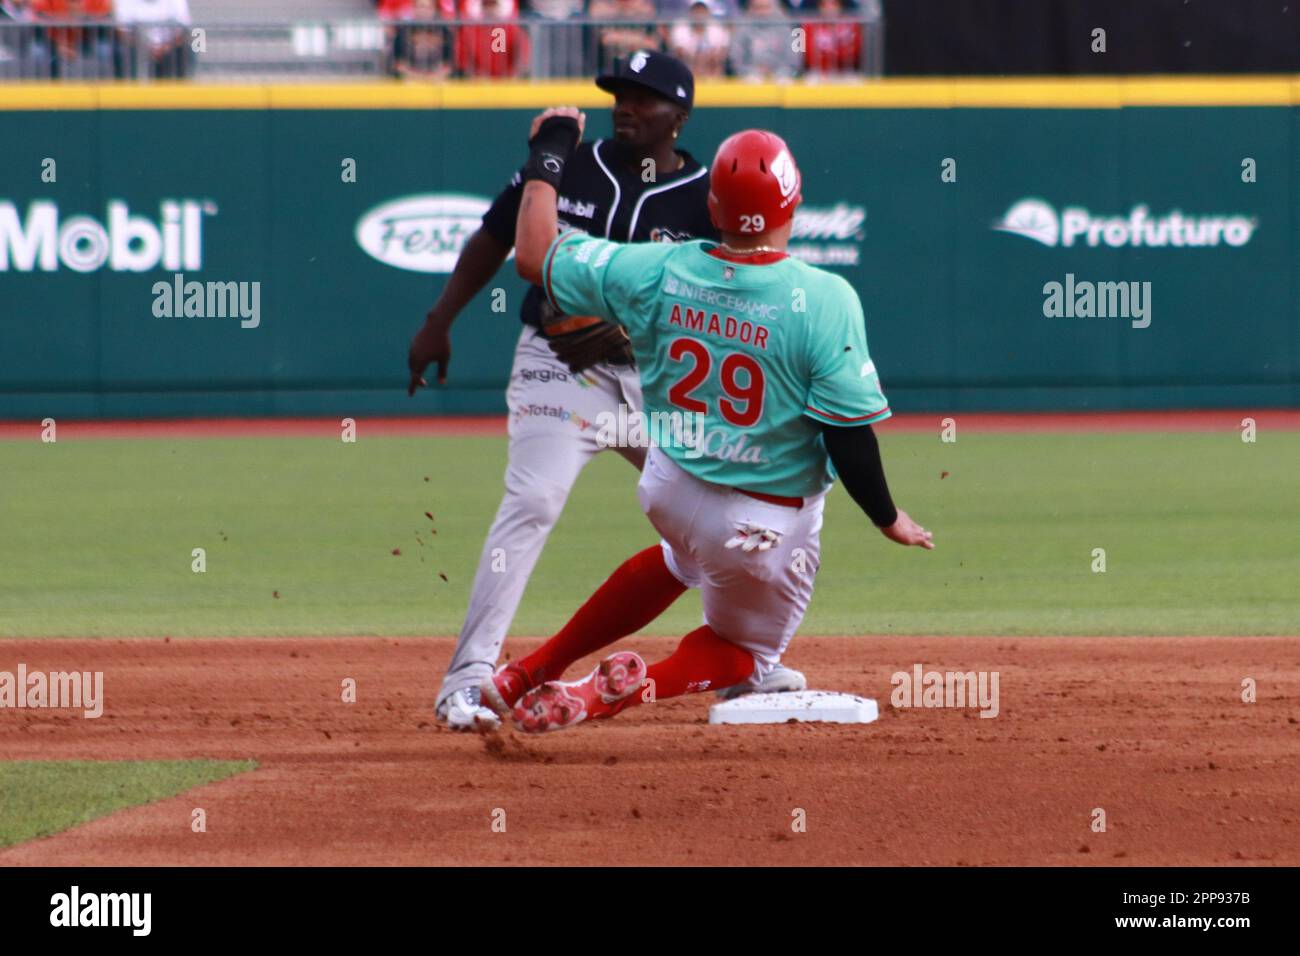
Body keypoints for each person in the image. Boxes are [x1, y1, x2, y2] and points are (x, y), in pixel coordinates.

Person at [480, 116, 933, 732]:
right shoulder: (825, 298)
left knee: (681, 559)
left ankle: (527, 670)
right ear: (794, 200)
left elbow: (532, 254)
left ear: (712, 203)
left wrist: (548, 156)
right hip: (760, 522)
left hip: (670, 487)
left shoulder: (656, 268)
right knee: (747, 653)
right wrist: (888, 517)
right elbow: (848, 435)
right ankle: (603, 695)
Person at [409, 52, 807, 730]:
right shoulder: (572, 166)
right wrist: (438, 321)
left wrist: (629, 333)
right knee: (533, 498)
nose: (626, 104)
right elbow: (494, 237)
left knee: (725, 507)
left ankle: (745, 657)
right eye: (619, 92)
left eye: (644, 97)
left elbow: (732, 300)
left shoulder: (708, 194)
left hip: (660, 382)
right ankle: (470, 678)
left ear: (679, 117)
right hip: (559, 367)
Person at [729, 0, 801, 81]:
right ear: (751, 8)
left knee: (784, 81)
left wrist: (777, 71)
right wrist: (750, 71)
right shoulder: (742, 27)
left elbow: (793, 58)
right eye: (758, 8)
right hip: (750, 76)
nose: (762, 12)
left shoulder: (786, 26)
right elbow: (736, 57)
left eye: (766, 7)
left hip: (781, 75)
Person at [666, 0, 729, 79]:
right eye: (696, 10)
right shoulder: (680, 27)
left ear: (708, 11)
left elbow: (721, 53)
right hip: (688, 66)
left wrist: (706, 58)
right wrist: (697, 58)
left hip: (710, 67)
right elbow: (679, 53)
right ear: (690, 11)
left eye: (702, 10)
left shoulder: (717, 28)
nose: (699, 13)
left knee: (716, 67)